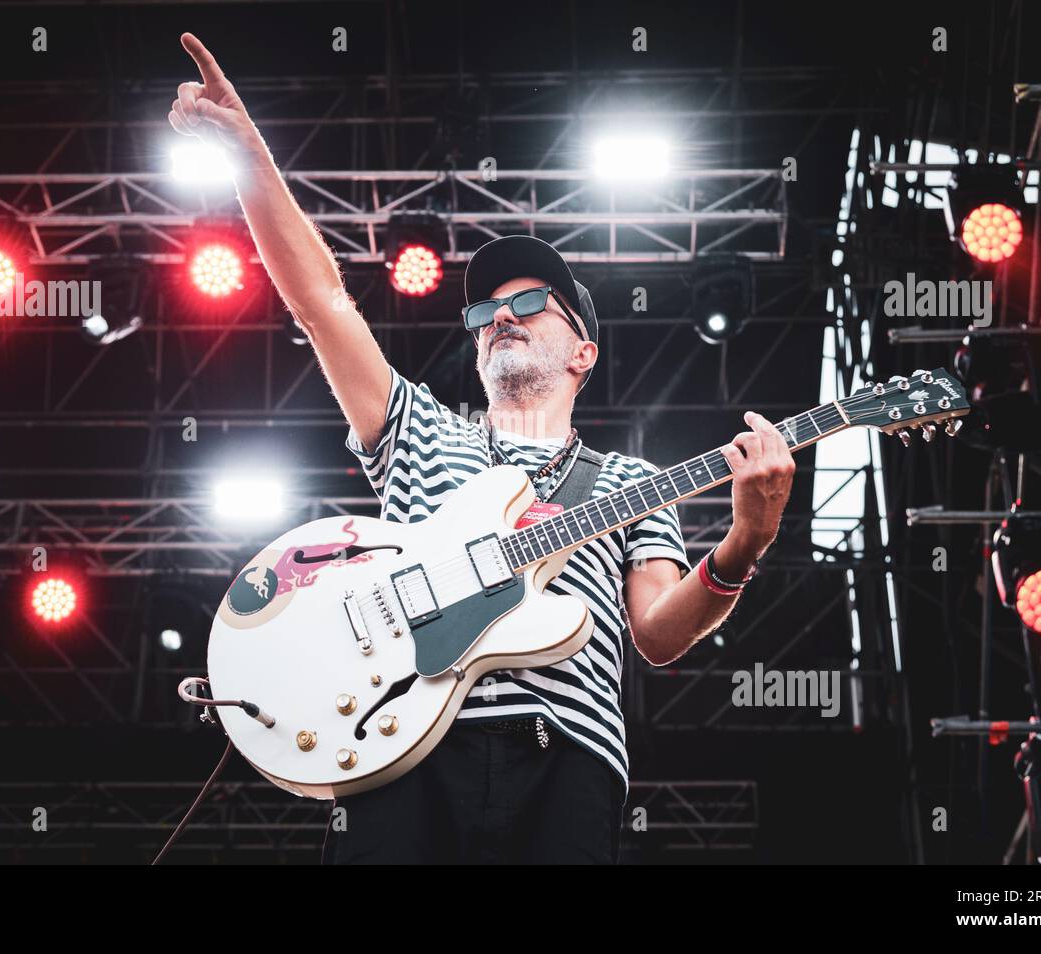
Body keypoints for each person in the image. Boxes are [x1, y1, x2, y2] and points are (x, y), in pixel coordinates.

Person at [167, 33, 795, 864]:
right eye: (484, 312)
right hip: (400, 744)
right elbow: (322, 302)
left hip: (566, 759)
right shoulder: (421, 432)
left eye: (531, 302)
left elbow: (656, 632)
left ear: (584, 353)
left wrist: (745, 543)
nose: (500, 316)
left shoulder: (632, 481)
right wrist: (250, 157)